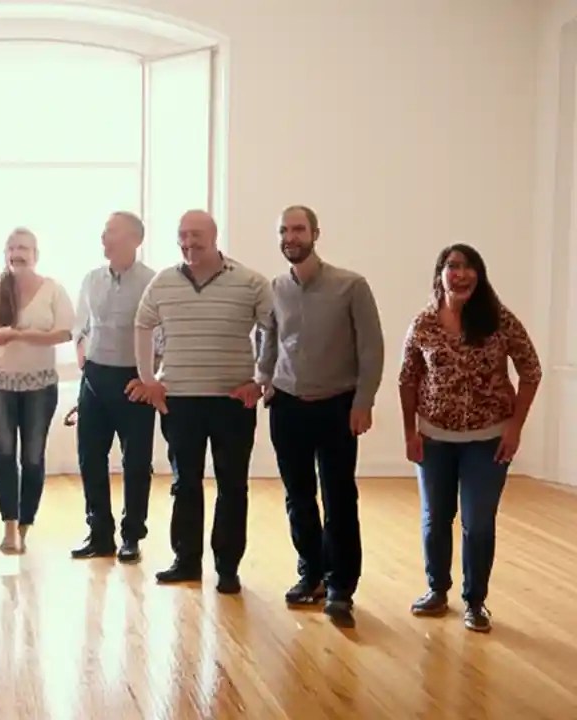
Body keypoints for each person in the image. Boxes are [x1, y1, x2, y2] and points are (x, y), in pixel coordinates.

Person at [399, 243, 541, 633]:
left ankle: (475, 601)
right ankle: (436, 590)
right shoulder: (423, 323)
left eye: (469, 267)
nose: (460, 274)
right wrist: (410, 432)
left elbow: (531, 370)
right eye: (453, 266)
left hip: (488, 439)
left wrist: (514, 427)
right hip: (433, 440)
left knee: (478, 523)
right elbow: (407, 379)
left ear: (479, 275)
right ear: (440, 274)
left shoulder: (498, 319)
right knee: (435, 520)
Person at [257, 205, 384, 628]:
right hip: (288, 404)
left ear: (315, 233)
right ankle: (310, 572)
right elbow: (269, 339)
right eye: (283, 230)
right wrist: (266, 380)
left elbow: (371, 348)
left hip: (336, 405)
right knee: (298, 496)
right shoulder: (275, 287)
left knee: (339, 497)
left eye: (298, 229)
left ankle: (341, 586)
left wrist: (363, 401)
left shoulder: (351, 286)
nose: (290, 237)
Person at [134, 209, 273, 595]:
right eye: (183, 235)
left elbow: (273, 329)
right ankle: (186, 561)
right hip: (179, 402)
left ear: (214, 236)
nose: (189, 242)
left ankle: (227, 567)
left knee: (232, 485)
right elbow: (142, 324)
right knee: (185, 484)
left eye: (196, 235)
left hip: (232, 402)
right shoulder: (162, 283)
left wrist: (261, 380)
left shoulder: (249, 282)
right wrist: (149, 380)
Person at [0, 228, 74, 553]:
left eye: (24, 247)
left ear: (36, 254)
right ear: (5, 254)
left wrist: (22, 336)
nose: (18, 252)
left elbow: (66, 332)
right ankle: (9, 527)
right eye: (12, 247)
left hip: (39, 385)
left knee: (32, 456)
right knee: (3, 452)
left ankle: (26, 525)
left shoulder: (53, 289)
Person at [70, 211, 157, 562]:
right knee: (90, 457)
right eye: (104, 232)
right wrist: (83, 362)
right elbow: (80, 326)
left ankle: (132, 535)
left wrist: (150, 378)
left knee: (136, 462)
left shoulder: (153, 281)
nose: (104, 238)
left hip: (134, 380)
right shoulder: (91, 279)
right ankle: (99, 533)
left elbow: (162, 335)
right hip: (94, 378)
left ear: (136, 239)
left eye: (112, 232)